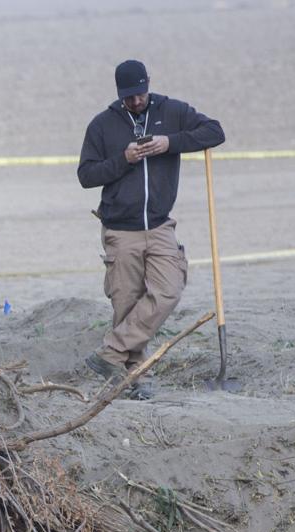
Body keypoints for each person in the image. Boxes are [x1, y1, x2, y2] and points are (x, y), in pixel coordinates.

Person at [78, 59, 225, 400]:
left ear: (148, 86)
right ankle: (134, 379)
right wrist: (123, 159)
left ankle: (110, 353)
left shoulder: (172, 111)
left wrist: (168, 143)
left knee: (168, 289)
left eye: (140, 94)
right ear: (120, 94)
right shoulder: (102, 125)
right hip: (120, 229)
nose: (135, 101)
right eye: (128, 97)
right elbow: (86, 176)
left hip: (160, 225)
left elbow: (215, 132)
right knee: (126, 302)